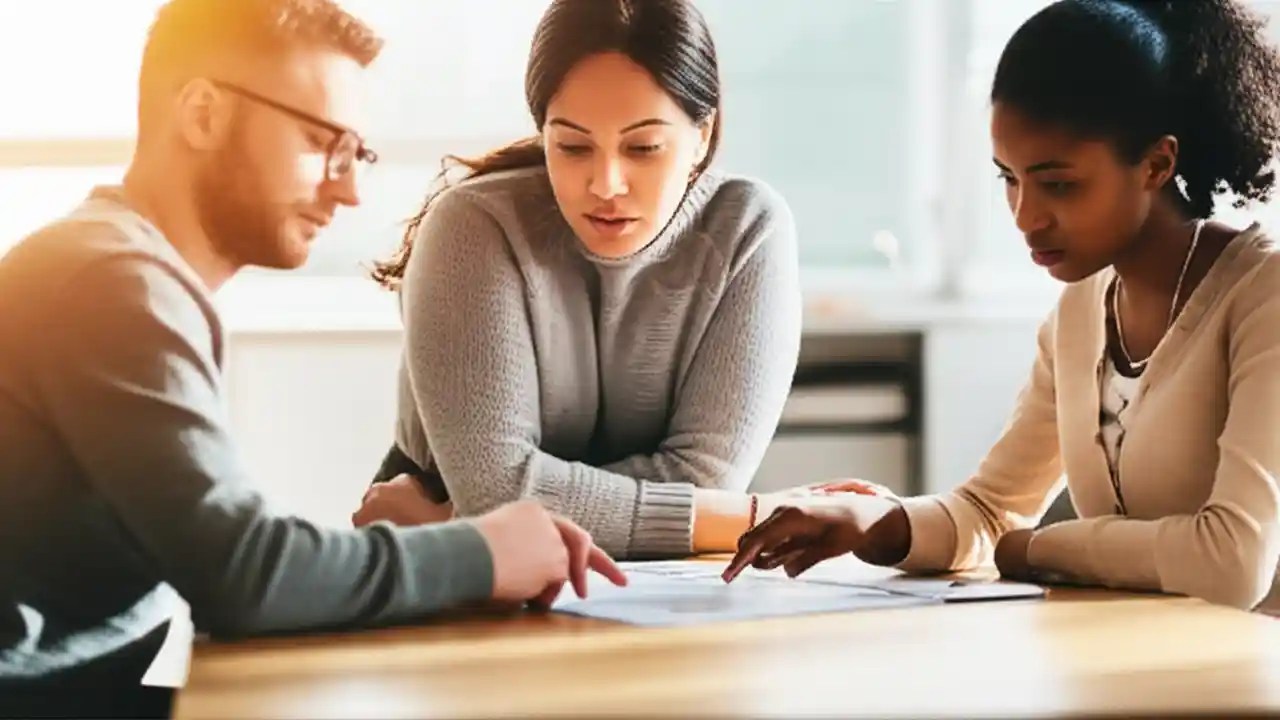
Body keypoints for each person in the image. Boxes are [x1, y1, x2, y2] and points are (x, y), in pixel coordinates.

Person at [0, 0, 623, 715]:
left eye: (357, 153)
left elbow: (234, 558)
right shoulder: (111, 282)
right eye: (322, 140)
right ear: (202, 114)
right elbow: (247, 575)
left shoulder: (122, 273)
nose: (349, 188)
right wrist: (484, 551)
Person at [726, 0, 1280, 614]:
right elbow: (991, 511)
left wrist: (1036, 550)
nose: (1025, 216)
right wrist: (872, 522)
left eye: (1059, 184)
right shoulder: (1080, 311)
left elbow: (1233, 563)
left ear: (1156, 164)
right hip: (1133, 667)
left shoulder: (1264, 296)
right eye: (1008, 178)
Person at [351, 0, 804, 559]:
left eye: (643, 148)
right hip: (450, 568)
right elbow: (495, 492)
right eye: (572, 146)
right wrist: (480, 508)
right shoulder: (473, 226)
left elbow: (709, 486)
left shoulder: (748, 229)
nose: (606, 184)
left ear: (702, 136)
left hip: (482, 538)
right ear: (543, 133)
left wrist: (457, 515)